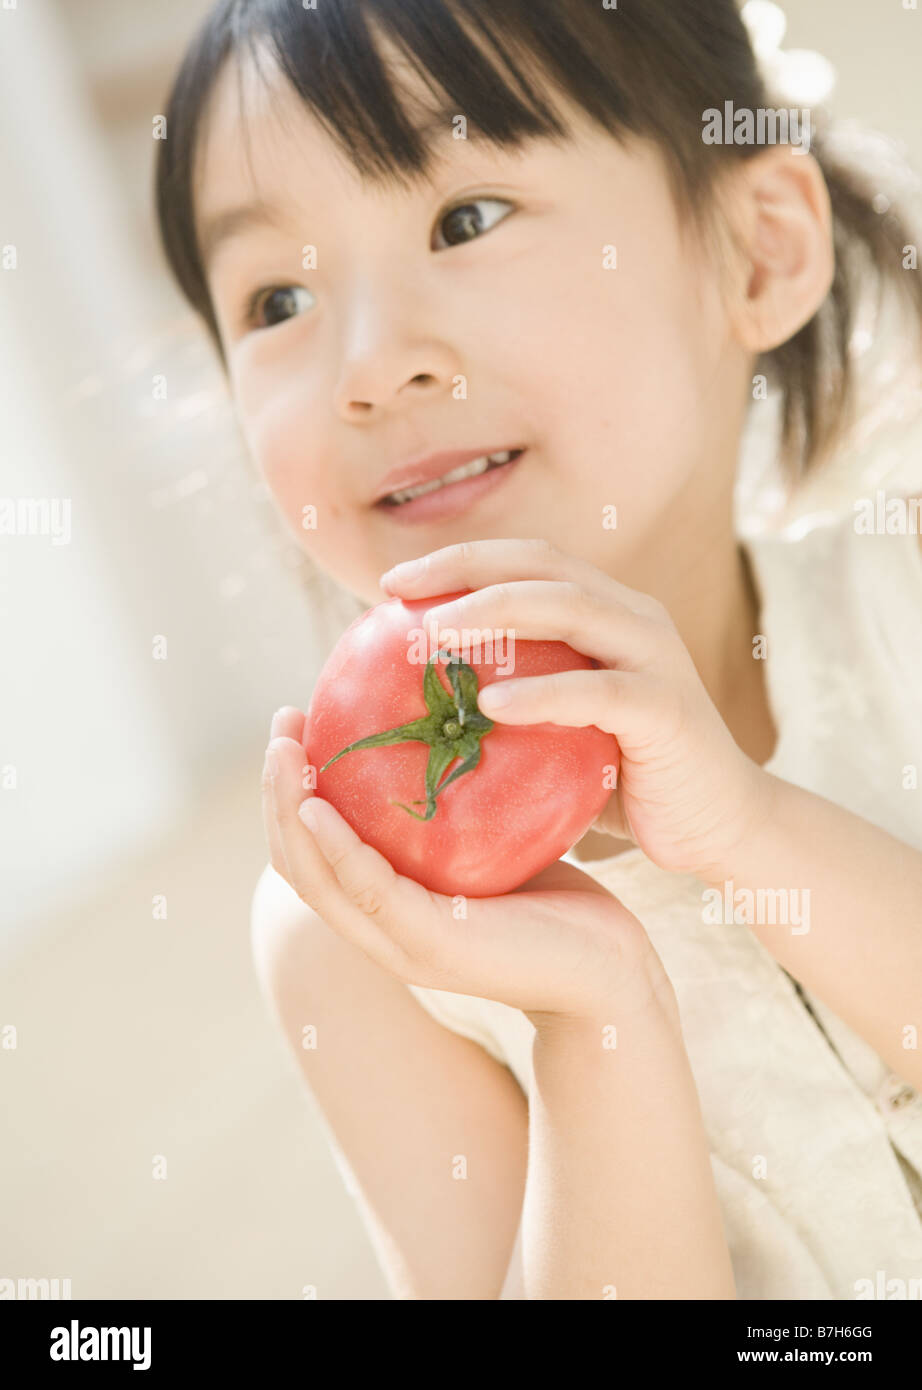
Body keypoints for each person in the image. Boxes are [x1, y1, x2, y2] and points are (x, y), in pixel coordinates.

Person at [154, 0, 922, 1299]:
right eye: (276, 297)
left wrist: (741, 824)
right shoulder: (349, 912)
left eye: (464, 219)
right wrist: (594, 1014)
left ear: (755, 252)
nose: (370, 364)